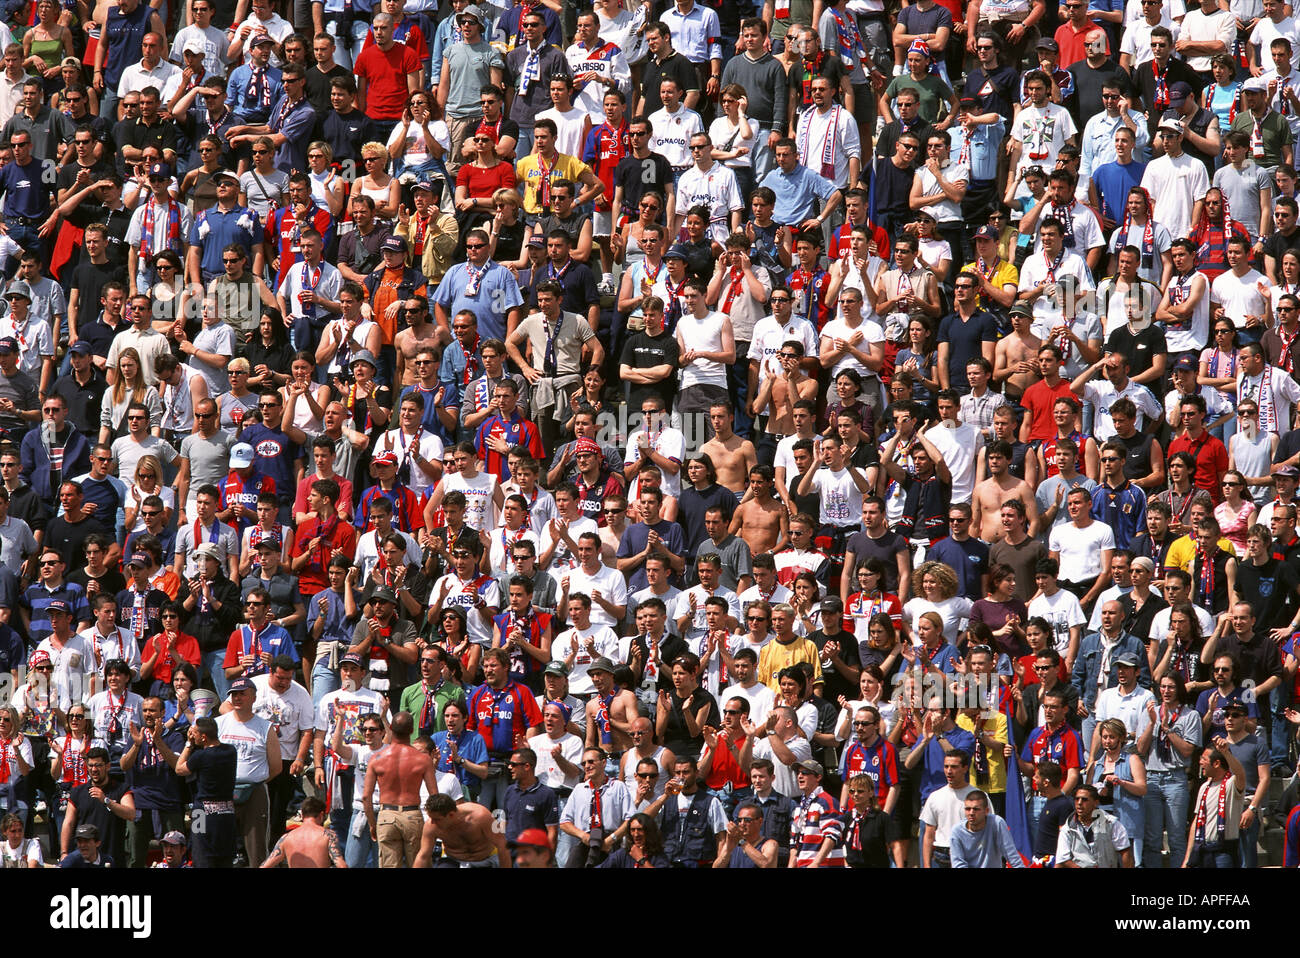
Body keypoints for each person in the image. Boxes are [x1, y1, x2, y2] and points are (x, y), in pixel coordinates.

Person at [413, 793, 510, 867]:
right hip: (453, 860)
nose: (432, 822)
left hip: (484, 860)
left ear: (451, 815)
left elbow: (502, 844)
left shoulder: (481, 816)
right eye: (431, 818)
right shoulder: (431, 825)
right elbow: (423, 855)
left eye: (437, 819)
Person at [261, 797, 348, 868]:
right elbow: (341, 865)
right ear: (322, 815)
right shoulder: (328, 835)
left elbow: (265, 866)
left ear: (302, 815)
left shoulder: (287, 838)